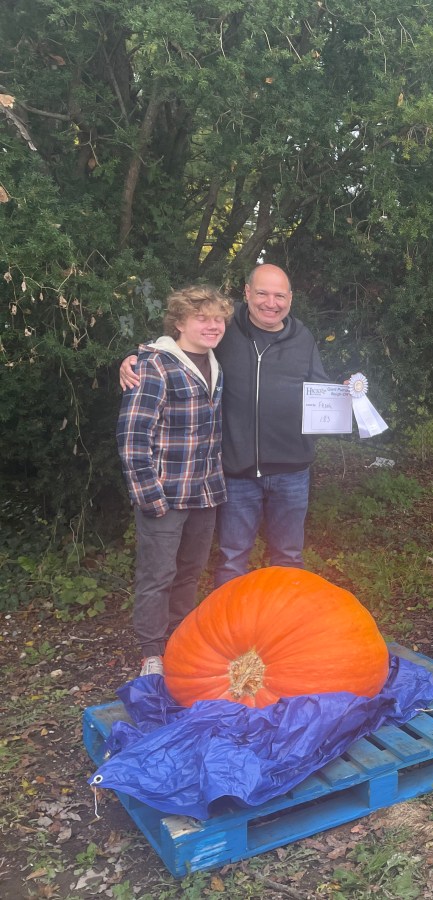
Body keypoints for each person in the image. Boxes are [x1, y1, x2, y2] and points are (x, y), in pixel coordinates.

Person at [120, 264, 329, 586]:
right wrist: (136, 358)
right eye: (262, 293)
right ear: (247, 293)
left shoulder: (303, 337)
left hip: (292, 471)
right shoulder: (224, 328)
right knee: (233, 558)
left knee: (288, 558)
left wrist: (346, 397)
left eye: (279, 295)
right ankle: (229, 633)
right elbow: (179, 345)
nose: (270, 303)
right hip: (236, 471)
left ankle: (284, 631)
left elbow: (320, 387)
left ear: (291, 298)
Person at [118, 285, 234, 677]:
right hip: (164, 496)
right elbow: (133, 436)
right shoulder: (156, 365)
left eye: (218, 318)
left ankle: (181, 639)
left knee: (188, 572)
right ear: (180, 322)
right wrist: (149, 496)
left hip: (204, 493)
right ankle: (152, 652)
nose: (212, 325)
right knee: (157, 575)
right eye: (202, 318)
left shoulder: (215, 364)